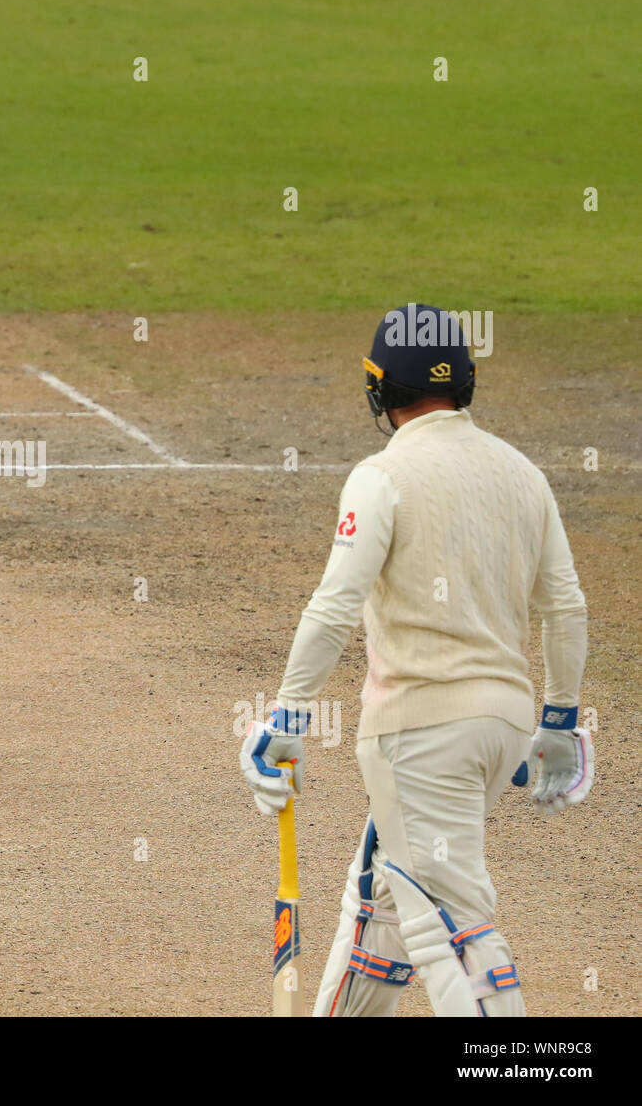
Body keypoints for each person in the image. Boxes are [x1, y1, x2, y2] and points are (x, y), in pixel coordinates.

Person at [240, 303, 593, 1016]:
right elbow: (567, 608)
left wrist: (286, 714)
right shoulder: (525, 474)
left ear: (380, 388)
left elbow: (335, 604)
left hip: (419, 735)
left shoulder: (382, 476)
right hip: (500, 728)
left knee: (450, 926)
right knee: (382, 899)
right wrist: (557, 722)